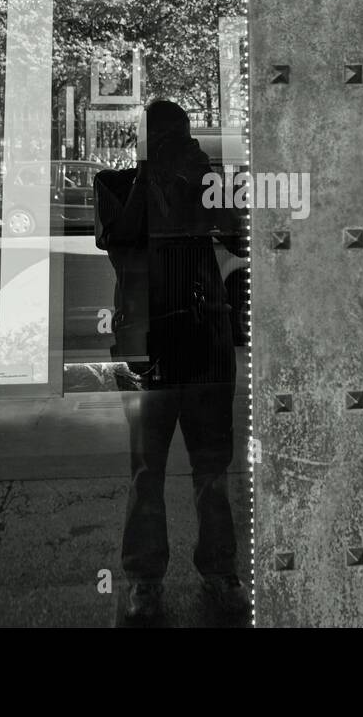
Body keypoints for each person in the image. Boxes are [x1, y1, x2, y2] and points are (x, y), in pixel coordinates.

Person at [93, 99, 247, 622]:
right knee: (146, 471)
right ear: (142, 143)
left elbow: (238, 237)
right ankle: (143, 579)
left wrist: (206, 178)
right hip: (148, 346)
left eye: (180, 137)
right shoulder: (115, 185)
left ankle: (220, 570)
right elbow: (122, 241)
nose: (172, 146)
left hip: (205, 339)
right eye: (163, 138)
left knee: (213, 468)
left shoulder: (200, 182)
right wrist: (148, 174)